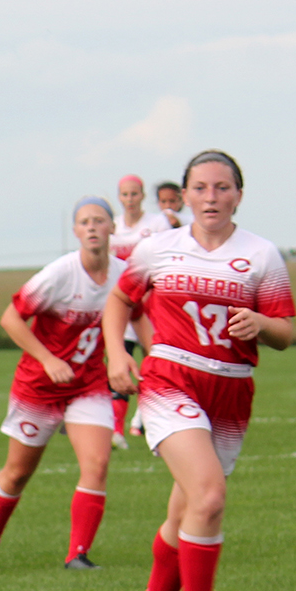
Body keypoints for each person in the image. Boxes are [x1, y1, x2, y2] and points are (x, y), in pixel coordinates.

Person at [104, 150, 295, 591]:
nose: (211, 197)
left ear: (239, 194)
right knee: (208, 497)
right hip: (170, 381)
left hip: (230, 390)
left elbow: (285, 332)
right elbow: (120, 299)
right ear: (184, 195)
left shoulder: (261, 255)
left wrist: (262, 325)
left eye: (223, 187)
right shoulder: (157, 247)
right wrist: (116, 351)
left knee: (188, 511)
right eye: (201, 188)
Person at [0, 196, 147, 574]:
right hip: (39, 386)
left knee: (98, 463)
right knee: (18, 472)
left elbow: (141, 314)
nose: (92, 227)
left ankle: (77, 556)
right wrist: (48, 359)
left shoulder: (124, 273)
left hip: (88, 383)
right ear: (75, 232)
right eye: (84, 222)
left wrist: (153, 358)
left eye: (99, 220)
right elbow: (10, 318)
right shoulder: (59, 274)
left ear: (112, 228)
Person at [109, 176, 164, 441]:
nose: (130, 199)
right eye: (125, 194)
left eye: (134, 194)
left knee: (155, 361)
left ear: (142, 196)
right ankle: (117, 429)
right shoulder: (113, 226)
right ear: (119, 197)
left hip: (152, 303)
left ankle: (151, 421)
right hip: (124, 302)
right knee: (121, 358)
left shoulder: (156, 224)